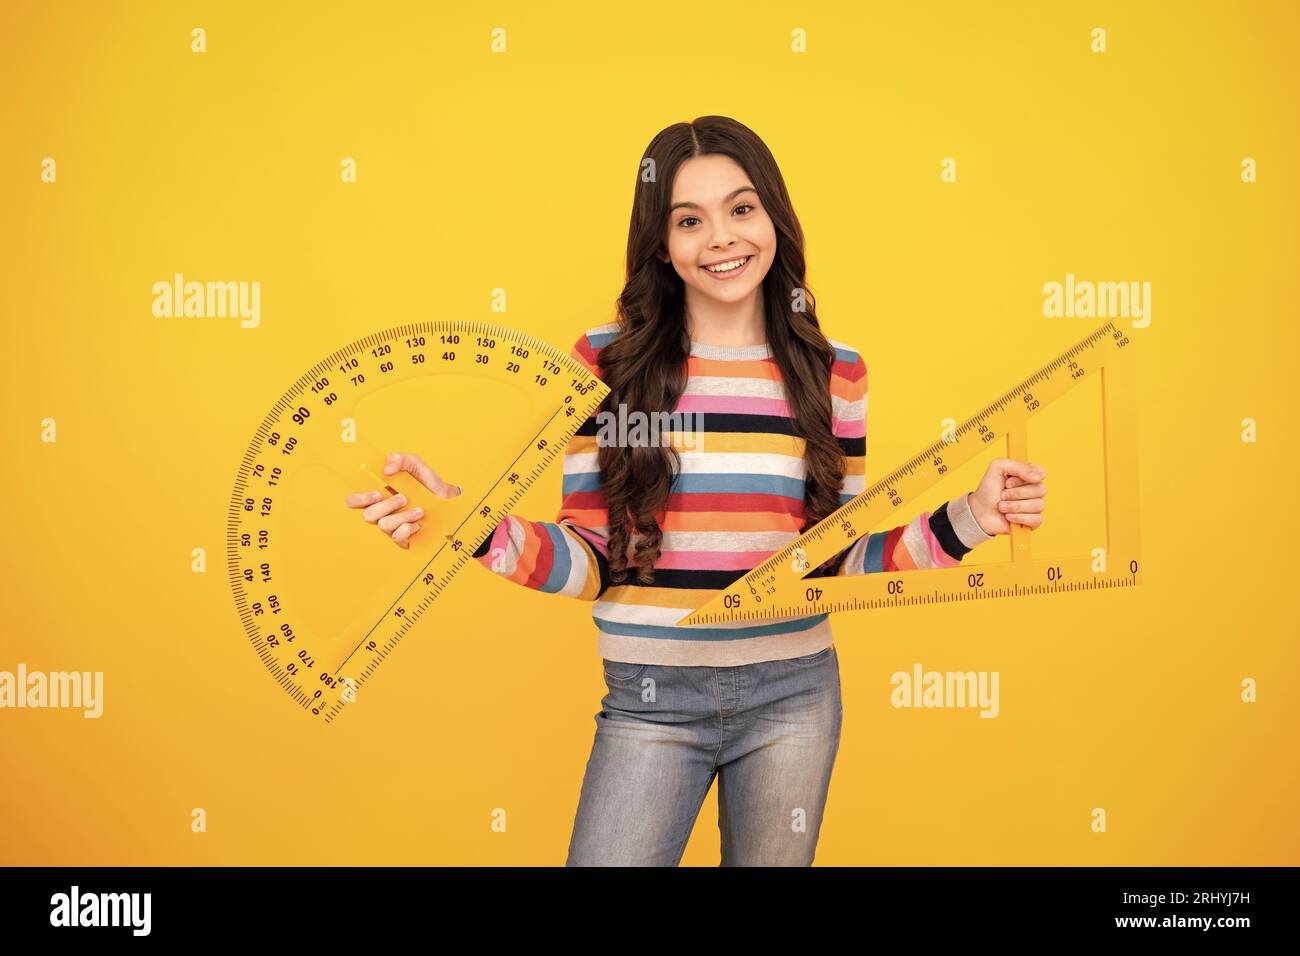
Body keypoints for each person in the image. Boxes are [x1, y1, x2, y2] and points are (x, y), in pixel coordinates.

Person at [345, 115, 1047, 865]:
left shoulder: (834, 370)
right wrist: (467, 523)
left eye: (741, 209)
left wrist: (971, 518)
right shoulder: (606, 364)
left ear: (773, 215)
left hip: (796, 696)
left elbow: (835, 558)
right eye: (690, 220)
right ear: (661, 243)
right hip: (650, 701)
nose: (721, 238)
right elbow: (591, 558)